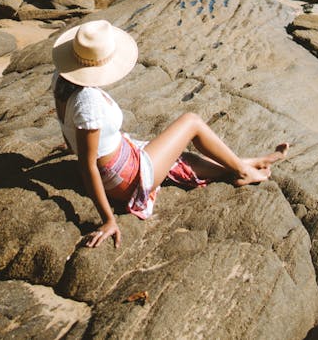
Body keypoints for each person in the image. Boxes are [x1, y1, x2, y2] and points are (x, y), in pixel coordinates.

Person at [51, 18, 289, 249]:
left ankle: (244, 164)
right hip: (123, 178)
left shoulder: (61, 78)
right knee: (191, 122)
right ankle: (243, 169)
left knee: (183, 158)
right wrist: (108, 220)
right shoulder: (89, 101)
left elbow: (68, 127)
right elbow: (87, 165)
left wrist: (75, 144)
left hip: (119, 159)